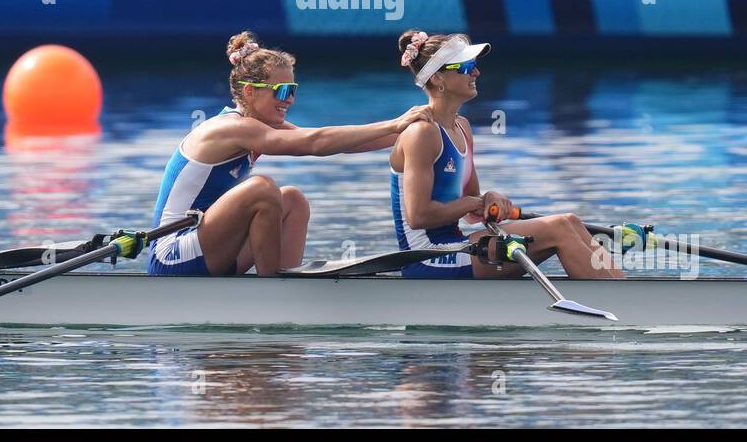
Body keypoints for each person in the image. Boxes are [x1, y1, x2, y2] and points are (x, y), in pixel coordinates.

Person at [148, 31, 432, 277]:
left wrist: (409, 134)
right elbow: (315, 143)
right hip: (172, 254)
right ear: (249, 92)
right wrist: (394, 122)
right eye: (282, 91)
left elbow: (339, 143)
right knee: (262, 189)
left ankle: (285, 281)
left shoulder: (259, 126)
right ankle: (274, 290)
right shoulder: (230, 128)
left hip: (206, 248)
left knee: (292, 200)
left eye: (293, 90)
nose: (290, 100)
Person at [390, 29, 623, 279]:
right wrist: (474, 203)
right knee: (558, 228)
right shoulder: (421, 133)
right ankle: (621, 306)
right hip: (428, 257)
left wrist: (489, 198)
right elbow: (419, 216)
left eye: (475, 65)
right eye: (467, 66)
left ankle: (621, 292)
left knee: (570, 221)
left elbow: (471, 214)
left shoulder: (462, 127)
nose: (476, 72)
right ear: (437, 79)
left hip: (457, 245)